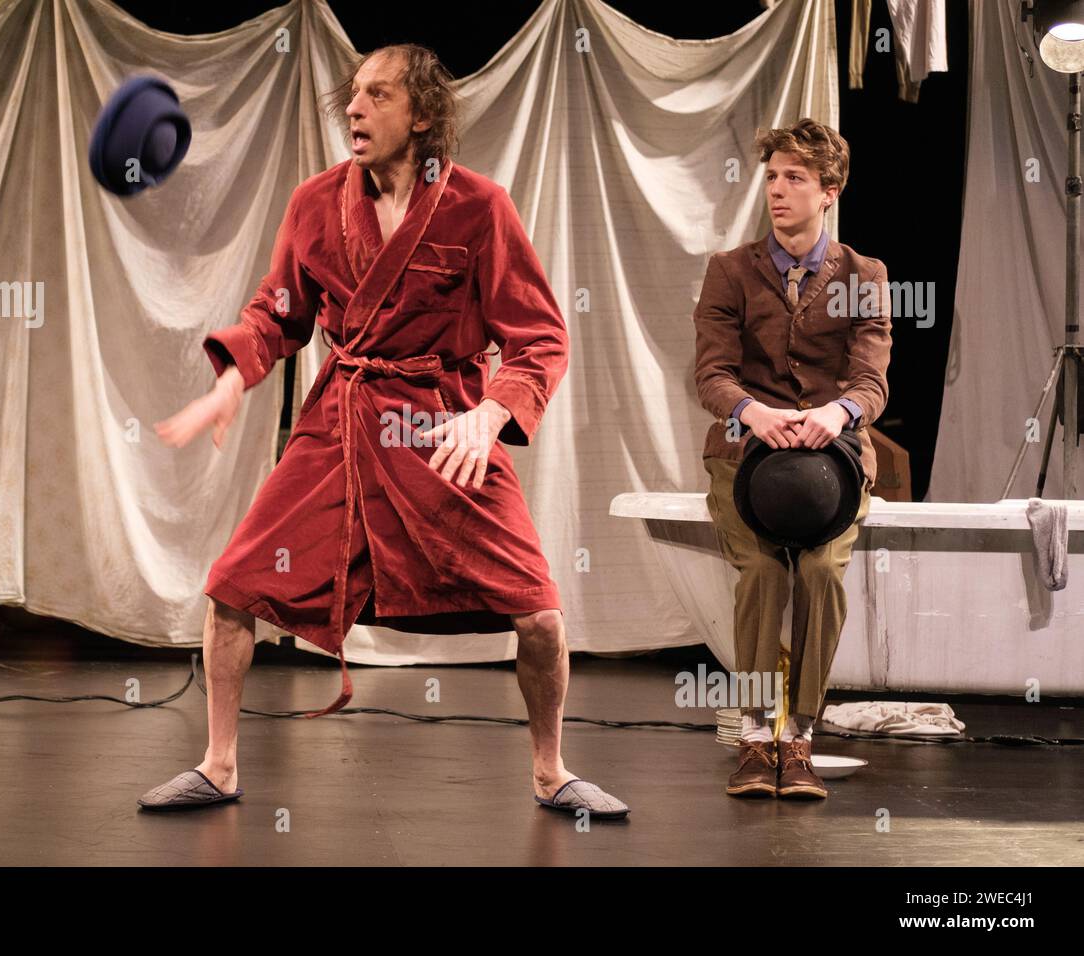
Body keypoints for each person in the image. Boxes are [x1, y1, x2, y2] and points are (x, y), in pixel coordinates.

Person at [141, 43, 628, 819]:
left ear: (423, 115)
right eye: (353, 95)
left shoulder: (478, 206)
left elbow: (538, 337)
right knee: (233, 589)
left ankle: (550, 770)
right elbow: (278, 313)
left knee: (537, 610)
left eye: (377, 96)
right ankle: (219, 763)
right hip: (342, 420)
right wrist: (233, 379)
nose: (355, 109)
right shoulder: (314, 203)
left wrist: (490, 412)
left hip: (443, 426)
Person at [692, 118, 892, 800]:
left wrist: (834, 415)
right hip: (746, 455)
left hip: (829, 460)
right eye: (772, 176)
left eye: (795, 178)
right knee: (759, 574)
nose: (777, 190)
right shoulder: (729, 272)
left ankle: (799, 736)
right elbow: (710, 375)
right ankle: (753, 737)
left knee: (820, 573)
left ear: (829, 190)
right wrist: (755, 412)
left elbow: (871, 380)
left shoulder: (863, 274)